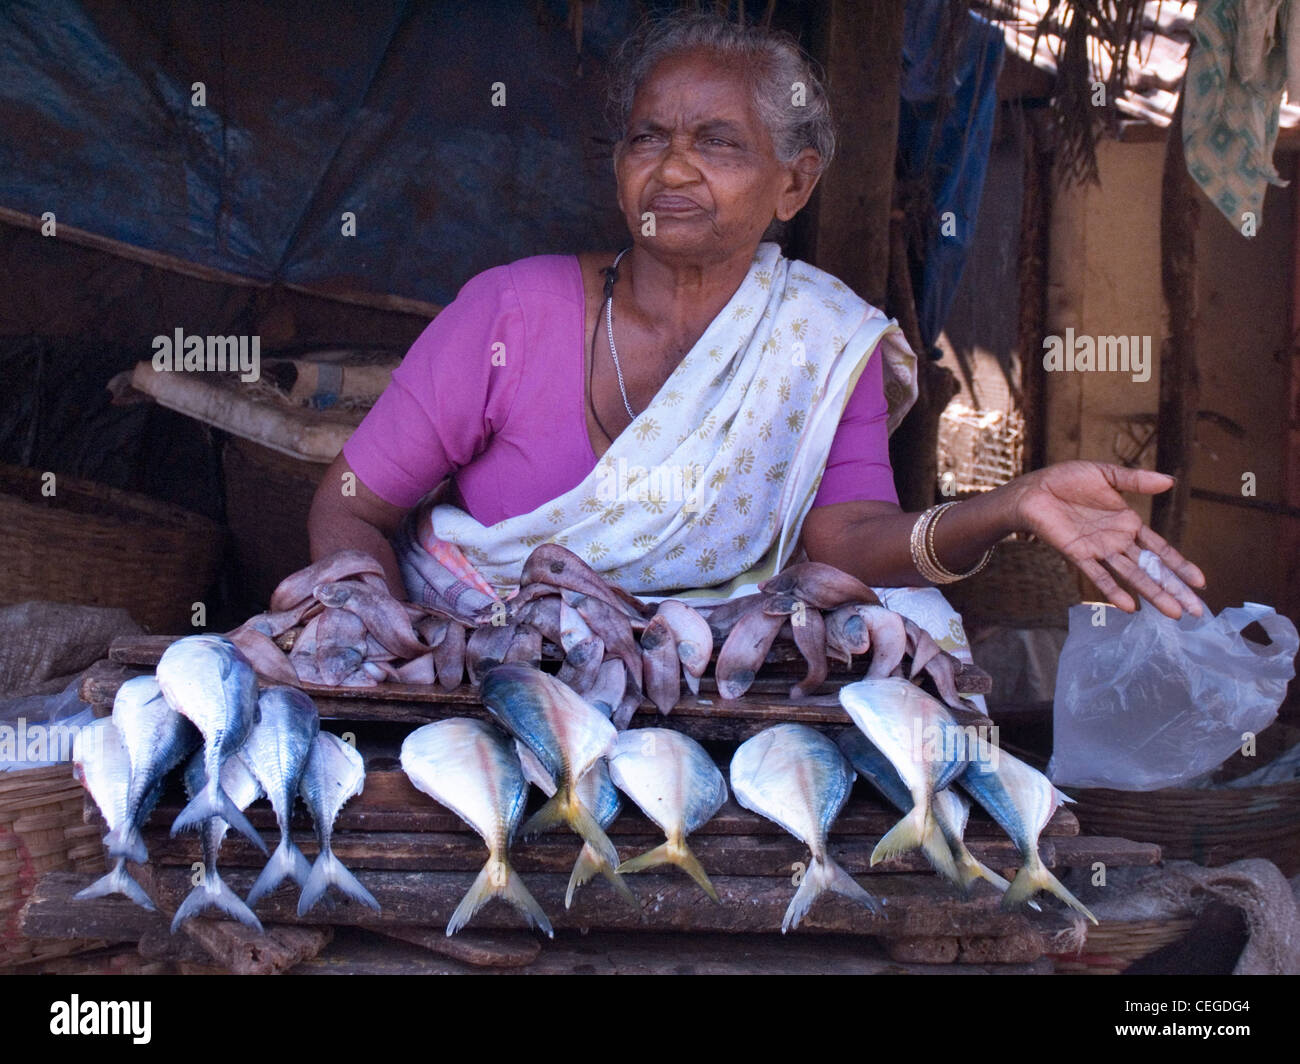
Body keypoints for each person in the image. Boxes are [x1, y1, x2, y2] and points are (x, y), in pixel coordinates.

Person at [308, 12, 1205, 641]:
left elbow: (848, 542)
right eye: (647, 137)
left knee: (915, 625)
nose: (673, 168)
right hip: (482, 656)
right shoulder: (511, 313)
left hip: (702, 672)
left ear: (795, 183)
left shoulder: (822, 341)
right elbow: (351, 506)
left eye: (719, 142)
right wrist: (385, 638)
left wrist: (1005, 507)